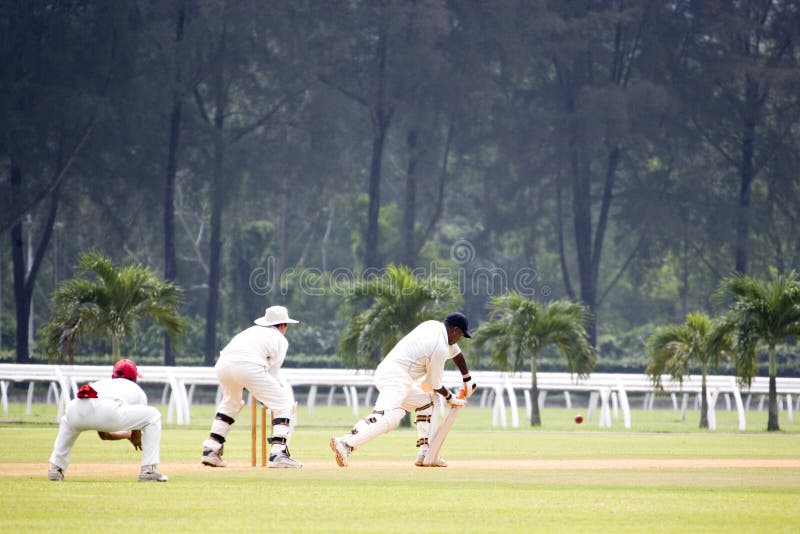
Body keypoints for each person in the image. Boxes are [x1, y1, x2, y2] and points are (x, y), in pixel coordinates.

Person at [330, 312, 477, 468]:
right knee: (387, 416)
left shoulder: (433, 326)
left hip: (398, 376)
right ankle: (346, 443)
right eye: (461, 335)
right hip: (396, 377)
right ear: (455, 330)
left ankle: (426, 453)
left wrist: (467, 378)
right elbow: (434, 383)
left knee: (427, 401)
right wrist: (451, 398)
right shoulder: (439, 346)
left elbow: (456, 353)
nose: (459, 339)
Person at [201, 305, 303, 468]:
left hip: (223, 365)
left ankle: (211, 449)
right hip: (248, 366)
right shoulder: (280, 339)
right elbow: (273, 373)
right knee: (284, 404)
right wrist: (267, 400)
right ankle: (278, 454)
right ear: (283, 325)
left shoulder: (250, 331)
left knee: (231, 403)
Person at [48, 358, 168, 482]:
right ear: (135, 378)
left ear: (113, 376)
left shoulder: (102, 384)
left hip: (75, 408)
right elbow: (136, 436)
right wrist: (132, 437)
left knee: (67, 421)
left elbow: (104, 434)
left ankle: (56, 468)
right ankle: (149, 470)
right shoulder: (137, 390)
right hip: (108, 410)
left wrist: (127, 435)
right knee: (153, 415)